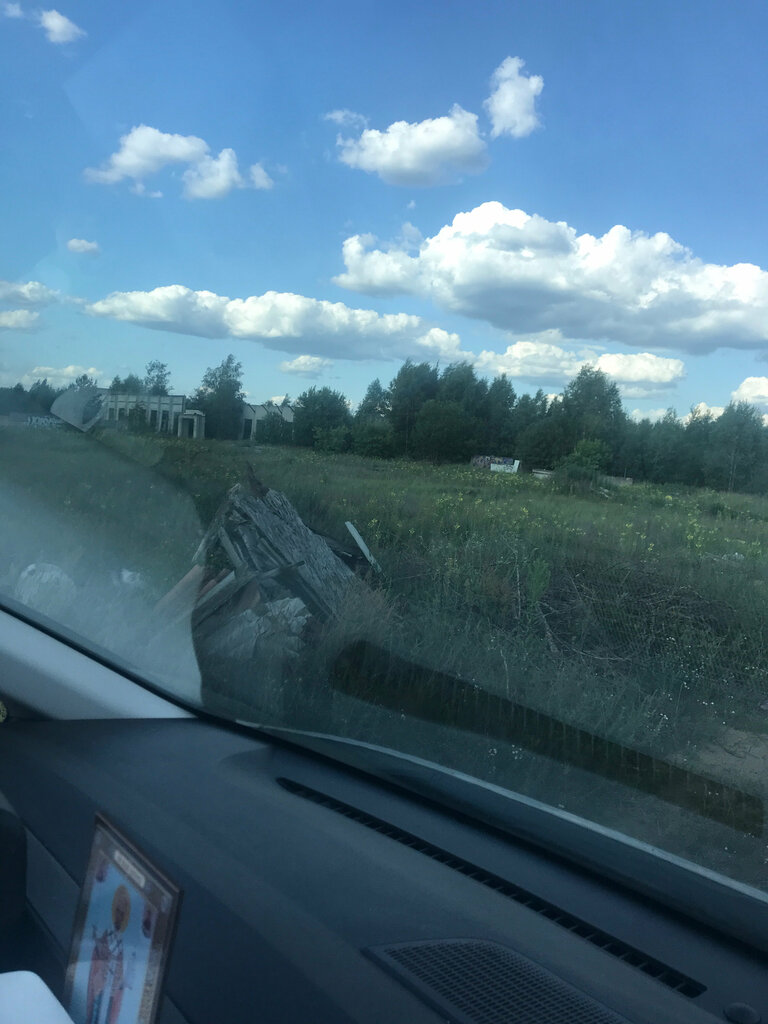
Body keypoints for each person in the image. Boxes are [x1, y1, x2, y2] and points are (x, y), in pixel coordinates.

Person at [85, 884, 131, 1024]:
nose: (119, 915)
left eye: (123, 913)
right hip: (100, 984)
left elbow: (122, 969)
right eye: (118, 911)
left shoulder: (124, 943)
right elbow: (97, 956)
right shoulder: (106, 934)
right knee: (95, 1013)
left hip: (112, 989)